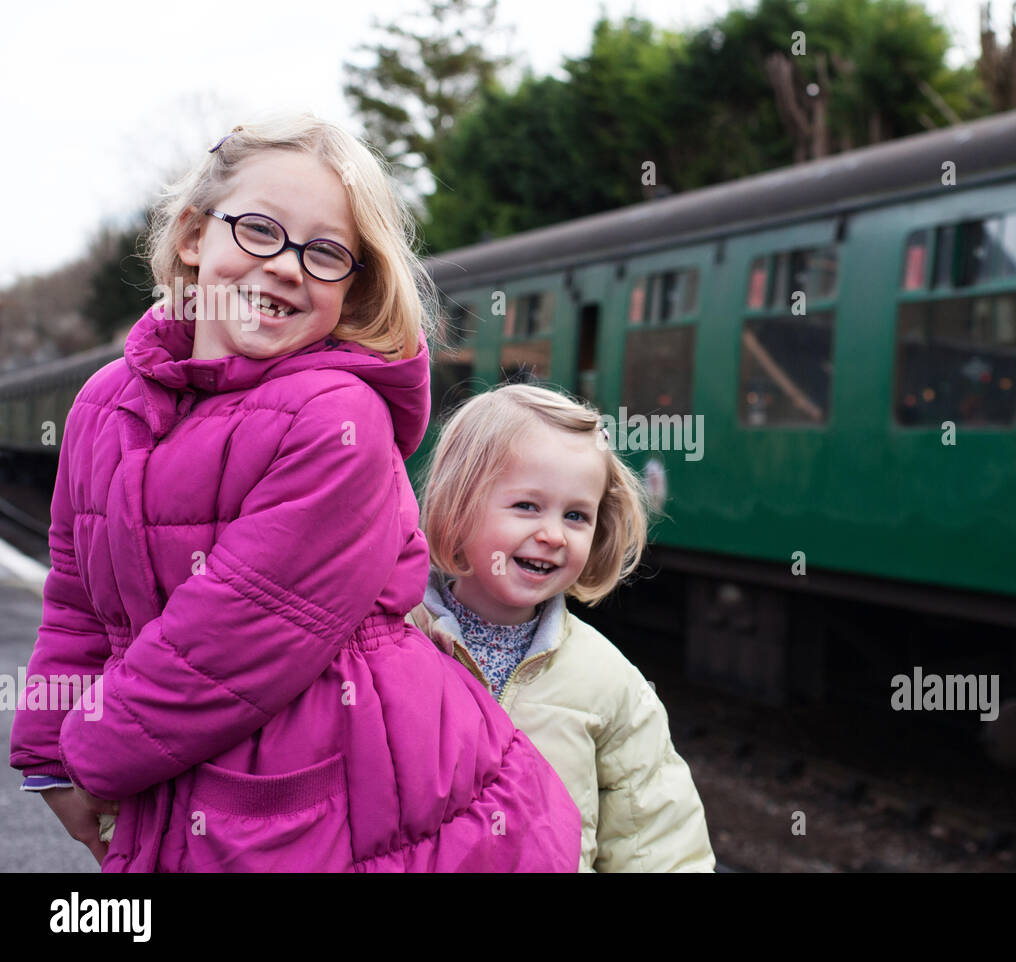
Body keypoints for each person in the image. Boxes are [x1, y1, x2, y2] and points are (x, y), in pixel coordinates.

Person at [8, 115, 580, 872]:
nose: (285, 266)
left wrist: (91, 754)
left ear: (351, 288)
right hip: (179, 766)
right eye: (258, 230)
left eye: (325, 253)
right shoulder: (104, 404)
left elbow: (234, 635)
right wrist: (49, 755)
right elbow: (77, 594)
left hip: (340, 793)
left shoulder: (337, 420)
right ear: (192, 237)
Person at [409, 383, 715, 872]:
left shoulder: (612, 684)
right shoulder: (387, 645)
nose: (553, 535)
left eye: (576, 515)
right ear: (457, 508)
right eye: (527, 506)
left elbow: (659, 844)